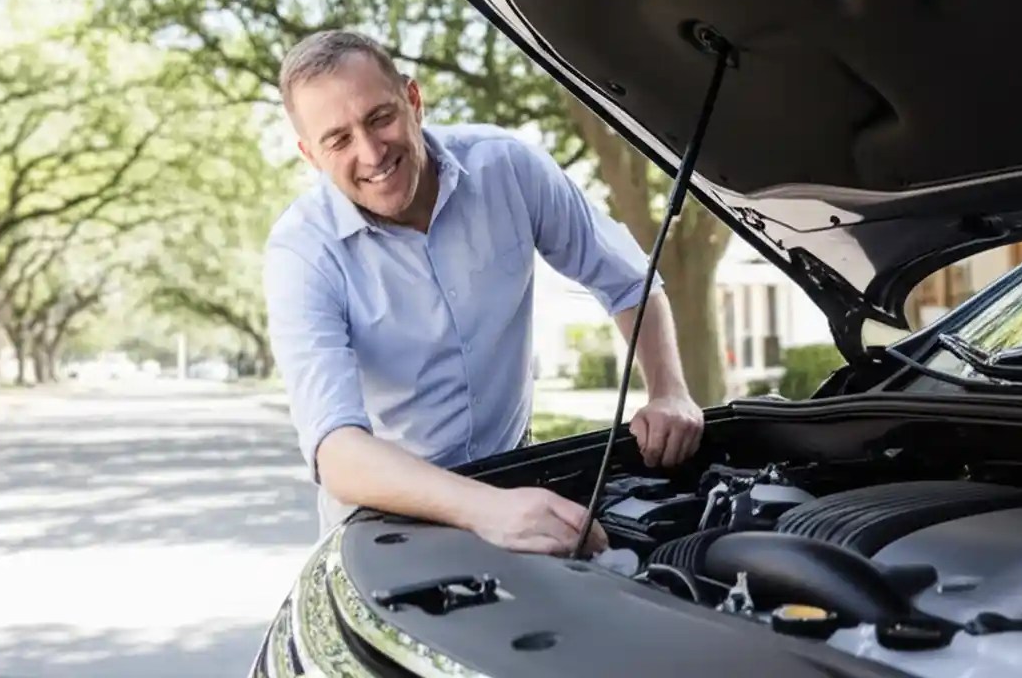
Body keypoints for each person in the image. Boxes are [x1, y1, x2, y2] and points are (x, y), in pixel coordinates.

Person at [263, 30, 704, 557]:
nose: (371, 151)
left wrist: (669, 389)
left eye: (379, 117)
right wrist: (487, 509)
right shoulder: (302, 253)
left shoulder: (509, 168)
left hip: (513, 479)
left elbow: (629, 279)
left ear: (413, 100)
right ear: (310, 154)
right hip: (383, 521)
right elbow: (337, 450)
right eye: (338, 139)